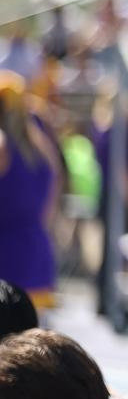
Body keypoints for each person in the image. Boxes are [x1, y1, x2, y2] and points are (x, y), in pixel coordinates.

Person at [0, 72, 59, 309]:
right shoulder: (41, 146)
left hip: (7, 255)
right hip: (36, 250)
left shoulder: (3, 144)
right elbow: (50, 204)